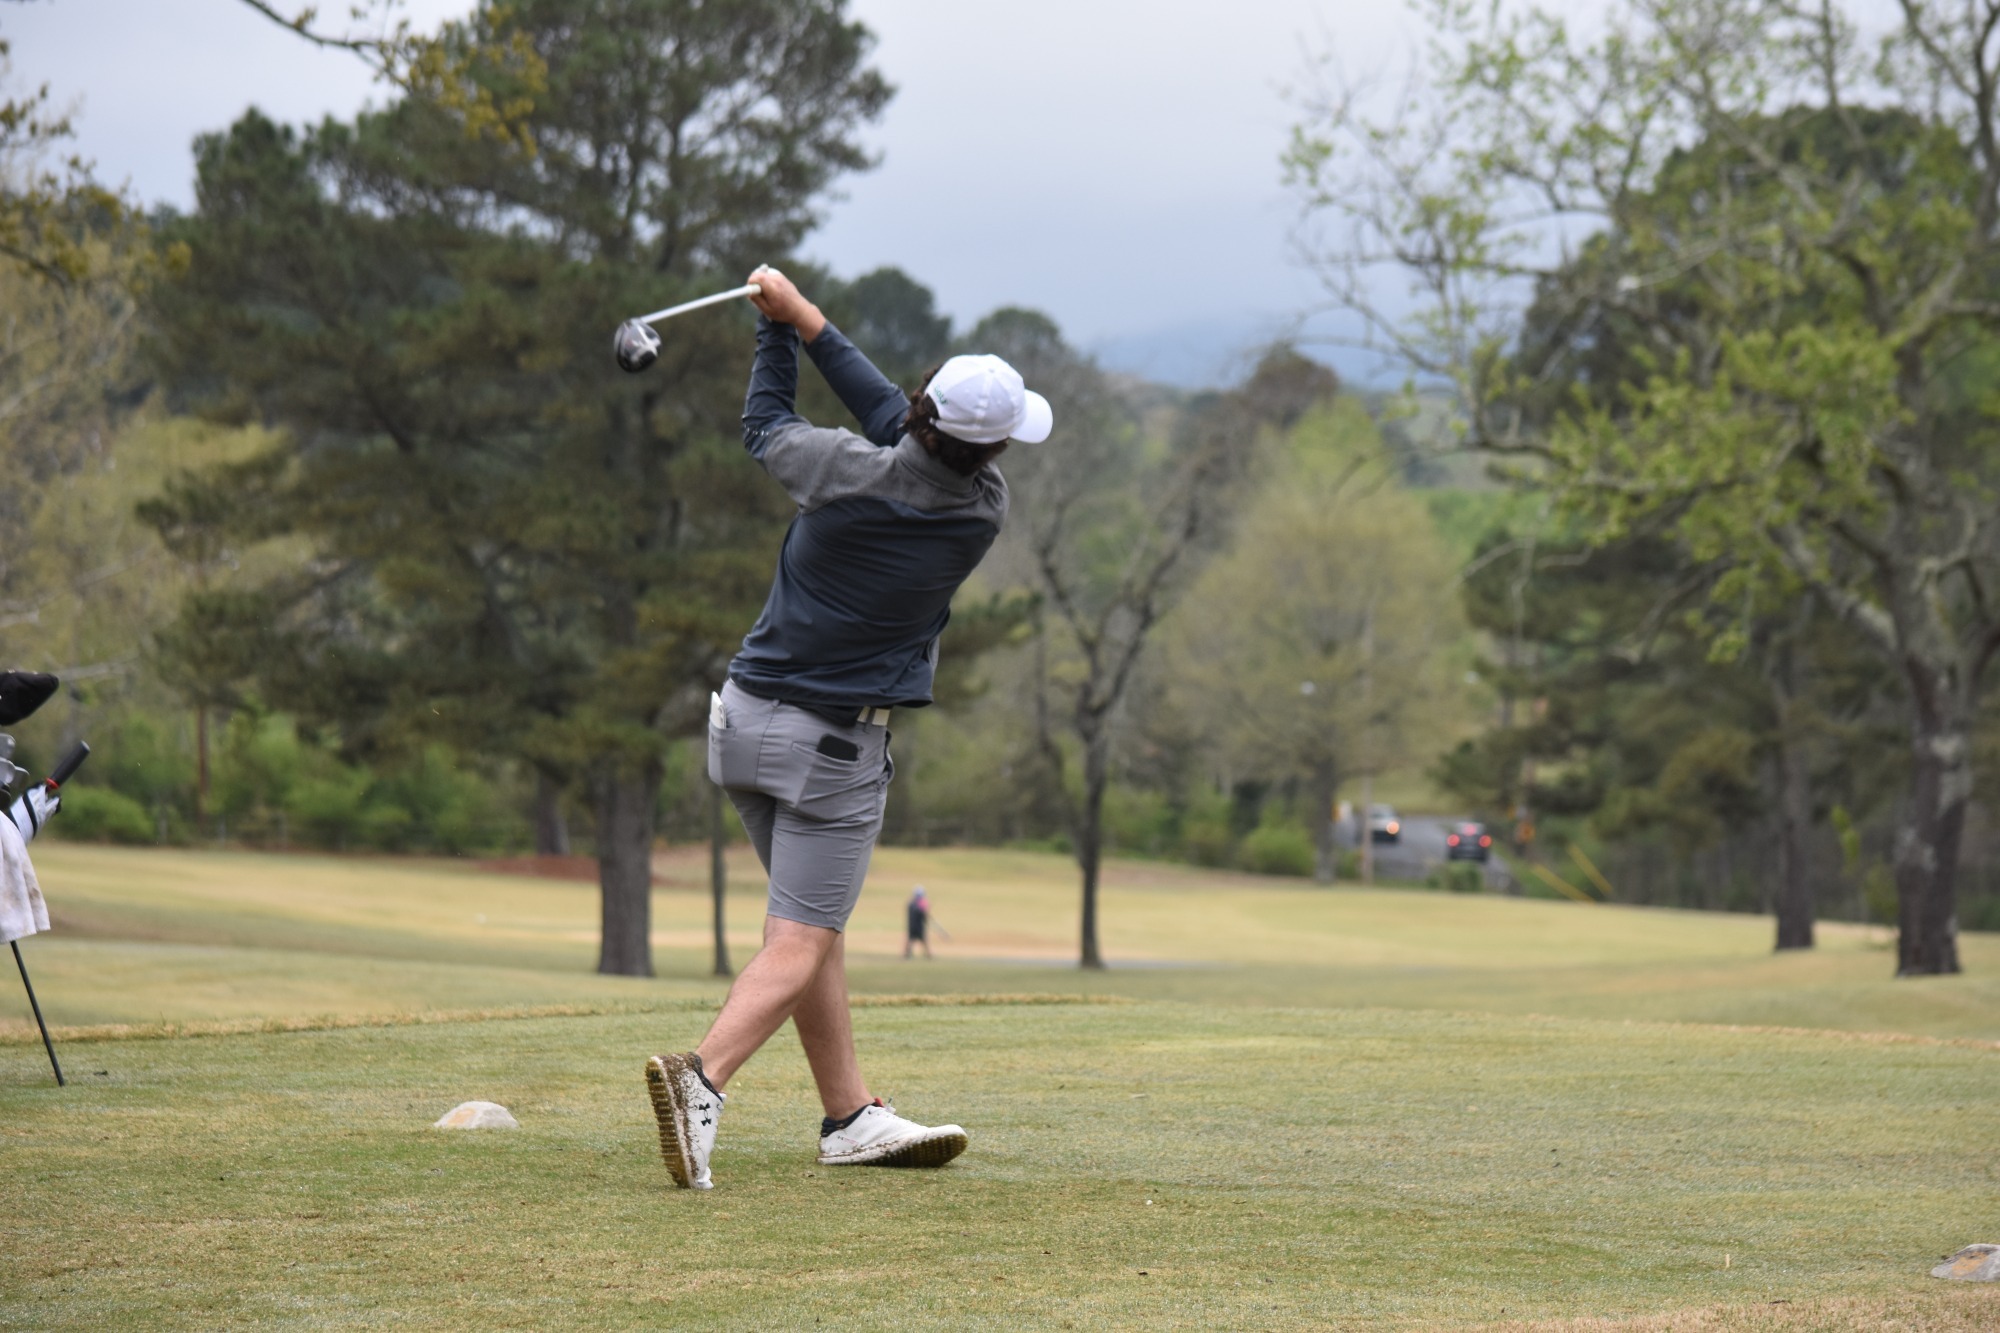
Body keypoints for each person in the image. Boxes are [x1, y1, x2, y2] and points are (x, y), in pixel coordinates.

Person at [644, 266, 1053, 1190]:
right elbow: (905, 436)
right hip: (831, 752)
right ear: (990, 451)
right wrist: (804, 317)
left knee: (809, 928)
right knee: (801, 937)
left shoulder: (837, 472)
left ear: (921, 413)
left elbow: (767, 426)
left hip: (741, 725)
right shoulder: (981, 510)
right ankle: (698, 1082)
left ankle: (849, 1117)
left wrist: (780, 333)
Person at [904, 886, 932, 960]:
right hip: (918, 926)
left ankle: (907, 954)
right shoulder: (918, 905)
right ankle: (929, 955)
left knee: (911, 940)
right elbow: (924, 914)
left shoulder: (911, 904)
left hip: (912, 926)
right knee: (922, 940)